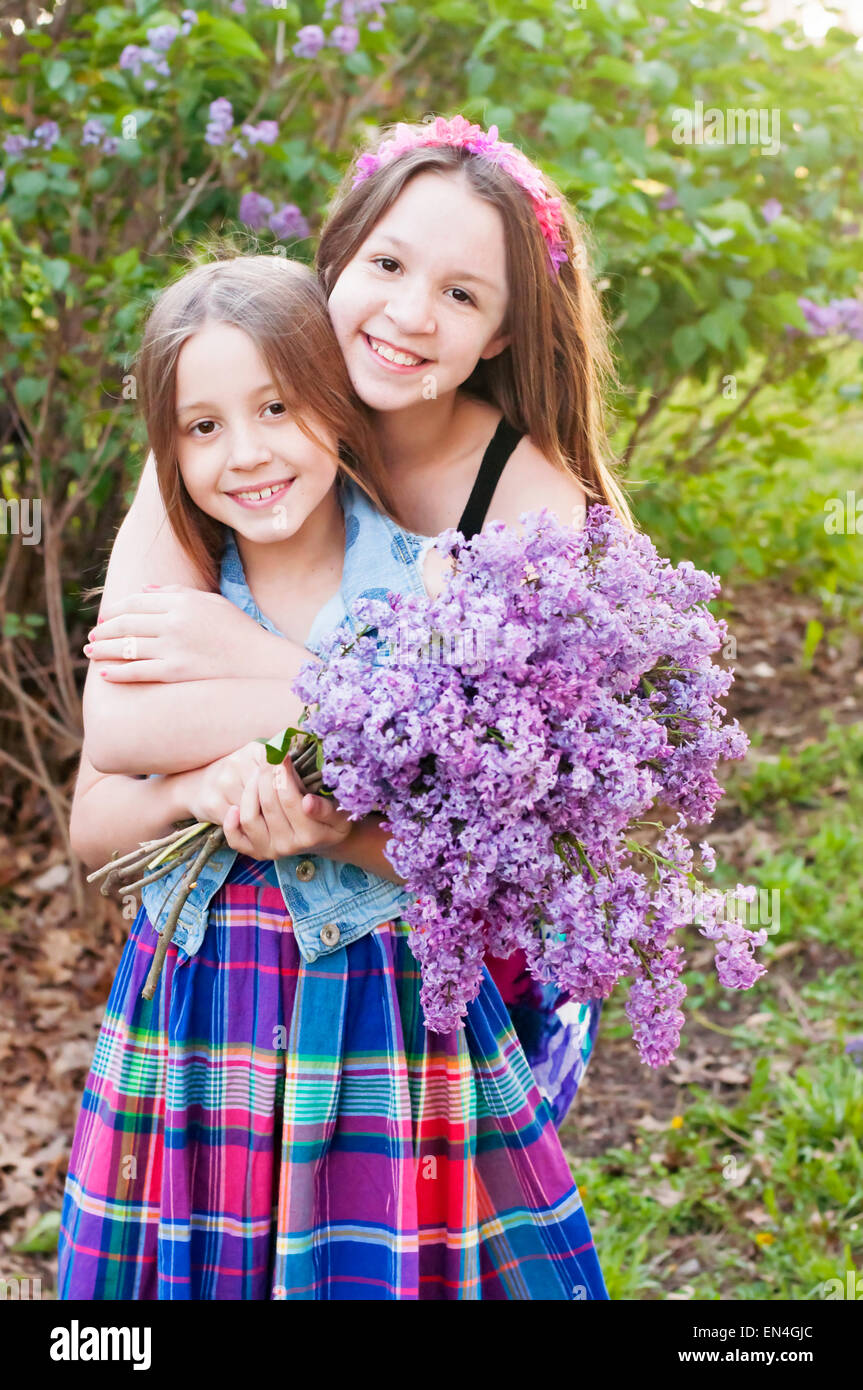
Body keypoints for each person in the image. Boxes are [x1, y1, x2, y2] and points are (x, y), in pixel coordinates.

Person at [58, 251, 608, 1300]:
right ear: (166, 448)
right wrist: (195, 791)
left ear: (335, 405)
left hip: (385, 1013)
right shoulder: (173, 608)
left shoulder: (430, 594)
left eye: (276, 407)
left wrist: (333, 819)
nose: (246, 452)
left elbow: (482, 853)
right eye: (202, 426)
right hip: (196, 1008)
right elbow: (93, 820)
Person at [82, 116, 631, 1125]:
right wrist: (320, 746)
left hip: (469, 969)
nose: (410, 314)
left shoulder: (528, 509)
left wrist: (257, 664)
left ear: (499, 334)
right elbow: (117, 736)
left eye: (460, 294)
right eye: (387, 262)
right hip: (243, 964)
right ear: (333, 260)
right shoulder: (243, 427)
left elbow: (502, 828)